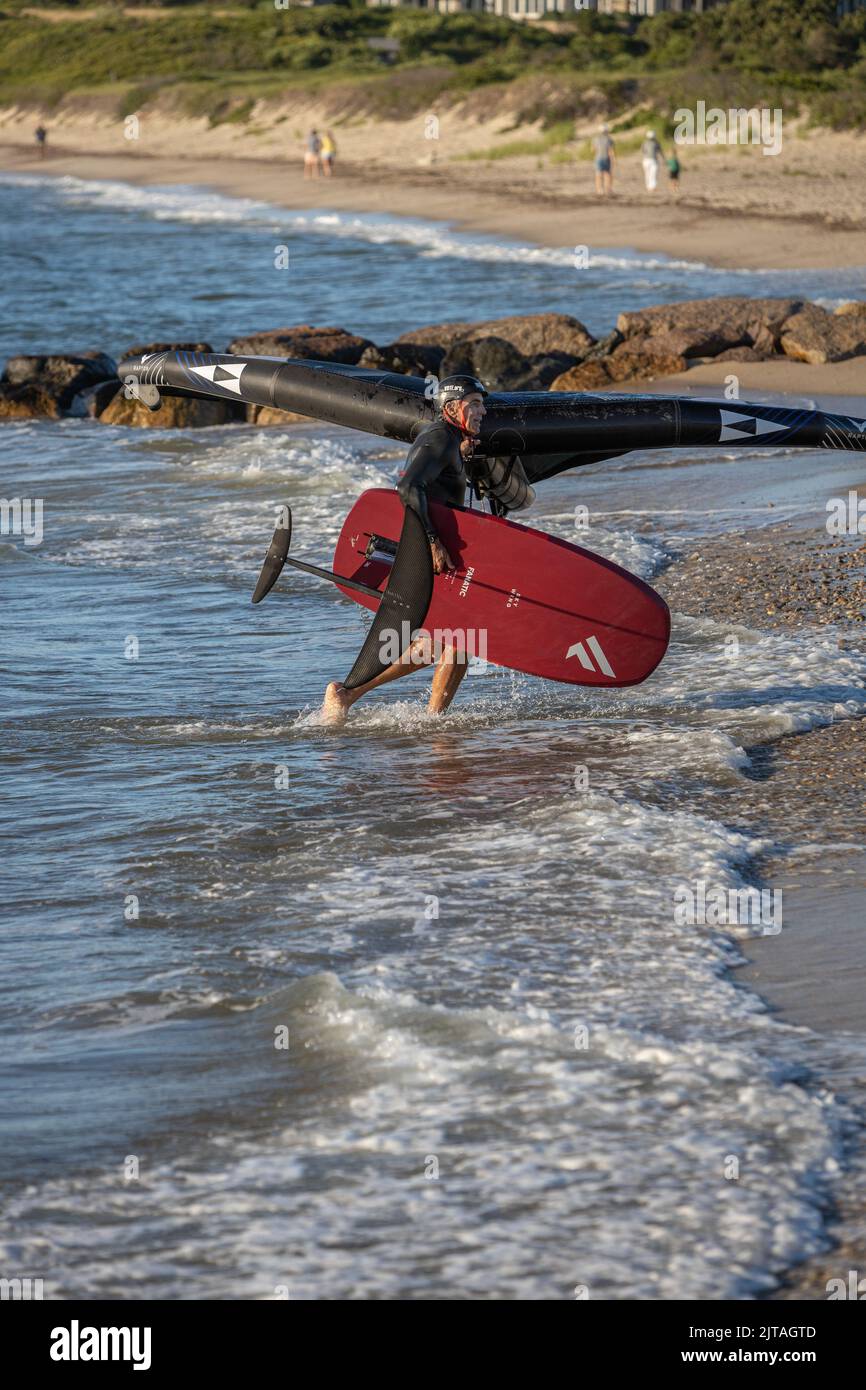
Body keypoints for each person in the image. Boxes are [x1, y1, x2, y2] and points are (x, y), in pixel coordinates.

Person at [321, 377, 489, 725]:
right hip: (430, 553)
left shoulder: (450, 440)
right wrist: (432, 542)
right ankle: (432, 724)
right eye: (474, 403)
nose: (482, 410)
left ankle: (349, 694)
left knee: (445, 641)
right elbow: (408, 486)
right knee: (459, 637)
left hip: (440, 556)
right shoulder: (441, 437)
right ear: (452, 408)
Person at [592, 124, 616, 197]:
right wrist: (614, 159)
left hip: (598, 158)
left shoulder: (595, 139)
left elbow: (593, 150)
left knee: (598, 175)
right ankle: (608, 189)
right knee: (607, 174)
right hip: (606, 158)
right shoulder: (609, 139)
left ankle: (599, 190)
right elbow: (611, 150)